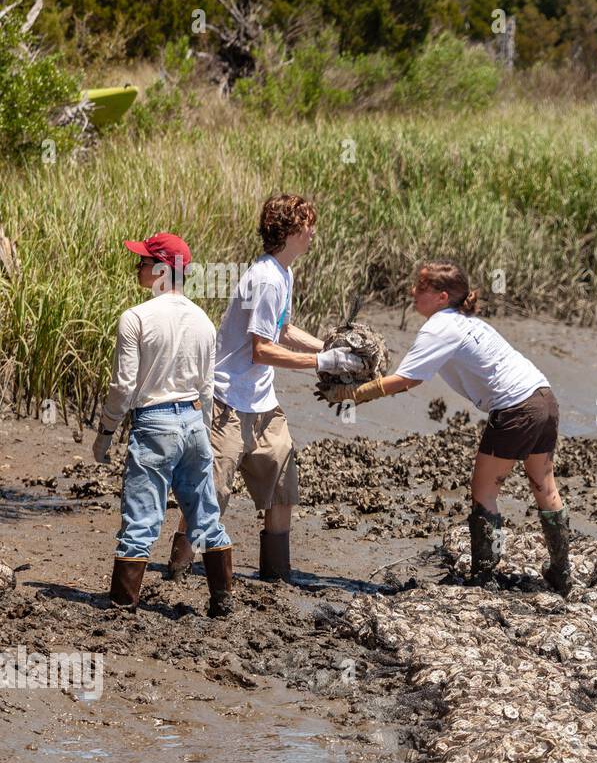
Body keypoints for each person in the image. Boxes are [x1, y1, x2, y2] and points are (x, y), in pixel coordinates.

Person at [315, 261, 571, 592]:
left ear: (442, 296)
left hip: (515, 408)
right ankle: (561, 574)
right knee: (544, 487)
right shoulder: (465, 321)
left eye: (421, 288)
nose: (413, 292)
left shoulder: (440, 327)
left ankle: (484, 578)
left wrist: (352, 394)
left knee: (484, 493)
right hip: (543, 397)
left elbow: (408, 380)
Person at [169, 194, 362, 582]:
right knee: (213, 493)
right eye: (308, 225)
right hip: (226, 401)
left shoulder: (284, 273)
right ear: (289, 231)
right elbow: (261, 350)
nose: (313, 232)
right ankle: (176, 569)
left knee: (282, 487)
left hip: (264, 405)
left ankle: (277, 574)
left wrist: (331, 346)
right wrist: (324, 364)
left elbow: (284, 331)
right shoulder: (267, 277)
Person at [94, 233, 234, 617]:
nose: (136, 267)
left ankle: (123, 605)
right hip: (192, 421)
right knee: (205, 514)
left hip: (154, 423)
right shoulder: (204, 321)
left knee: (141, 517)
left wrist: (106, 432)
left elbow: (123, 387)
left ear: (159, 270)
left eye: (141, 261)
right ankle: (223, 600)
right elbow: (207, 389)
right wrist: (202, 431)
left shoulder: (135, 318)